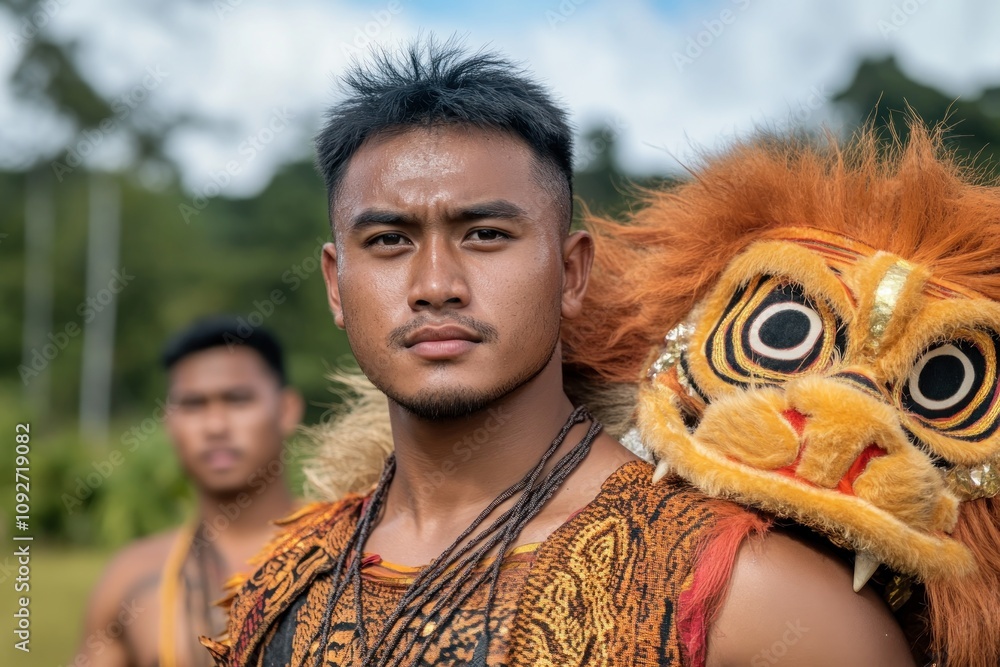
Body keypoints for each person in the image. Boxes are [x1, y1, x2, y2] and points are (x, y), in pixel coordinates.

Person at [204, 41, 913, 666]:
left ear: (571, 272)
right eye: (389, 241)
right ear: (336, 283)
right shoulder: (285, 585)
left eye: (484, 235)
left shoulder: (742, 592)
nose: (435, 286)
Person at [76, 317, 304, 667]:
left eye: (238, 399)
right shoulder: (130, 580)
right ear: (170, 420)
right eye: (194, 404)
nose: (215, 426)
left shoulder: (353, 552)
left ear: (286, 410)